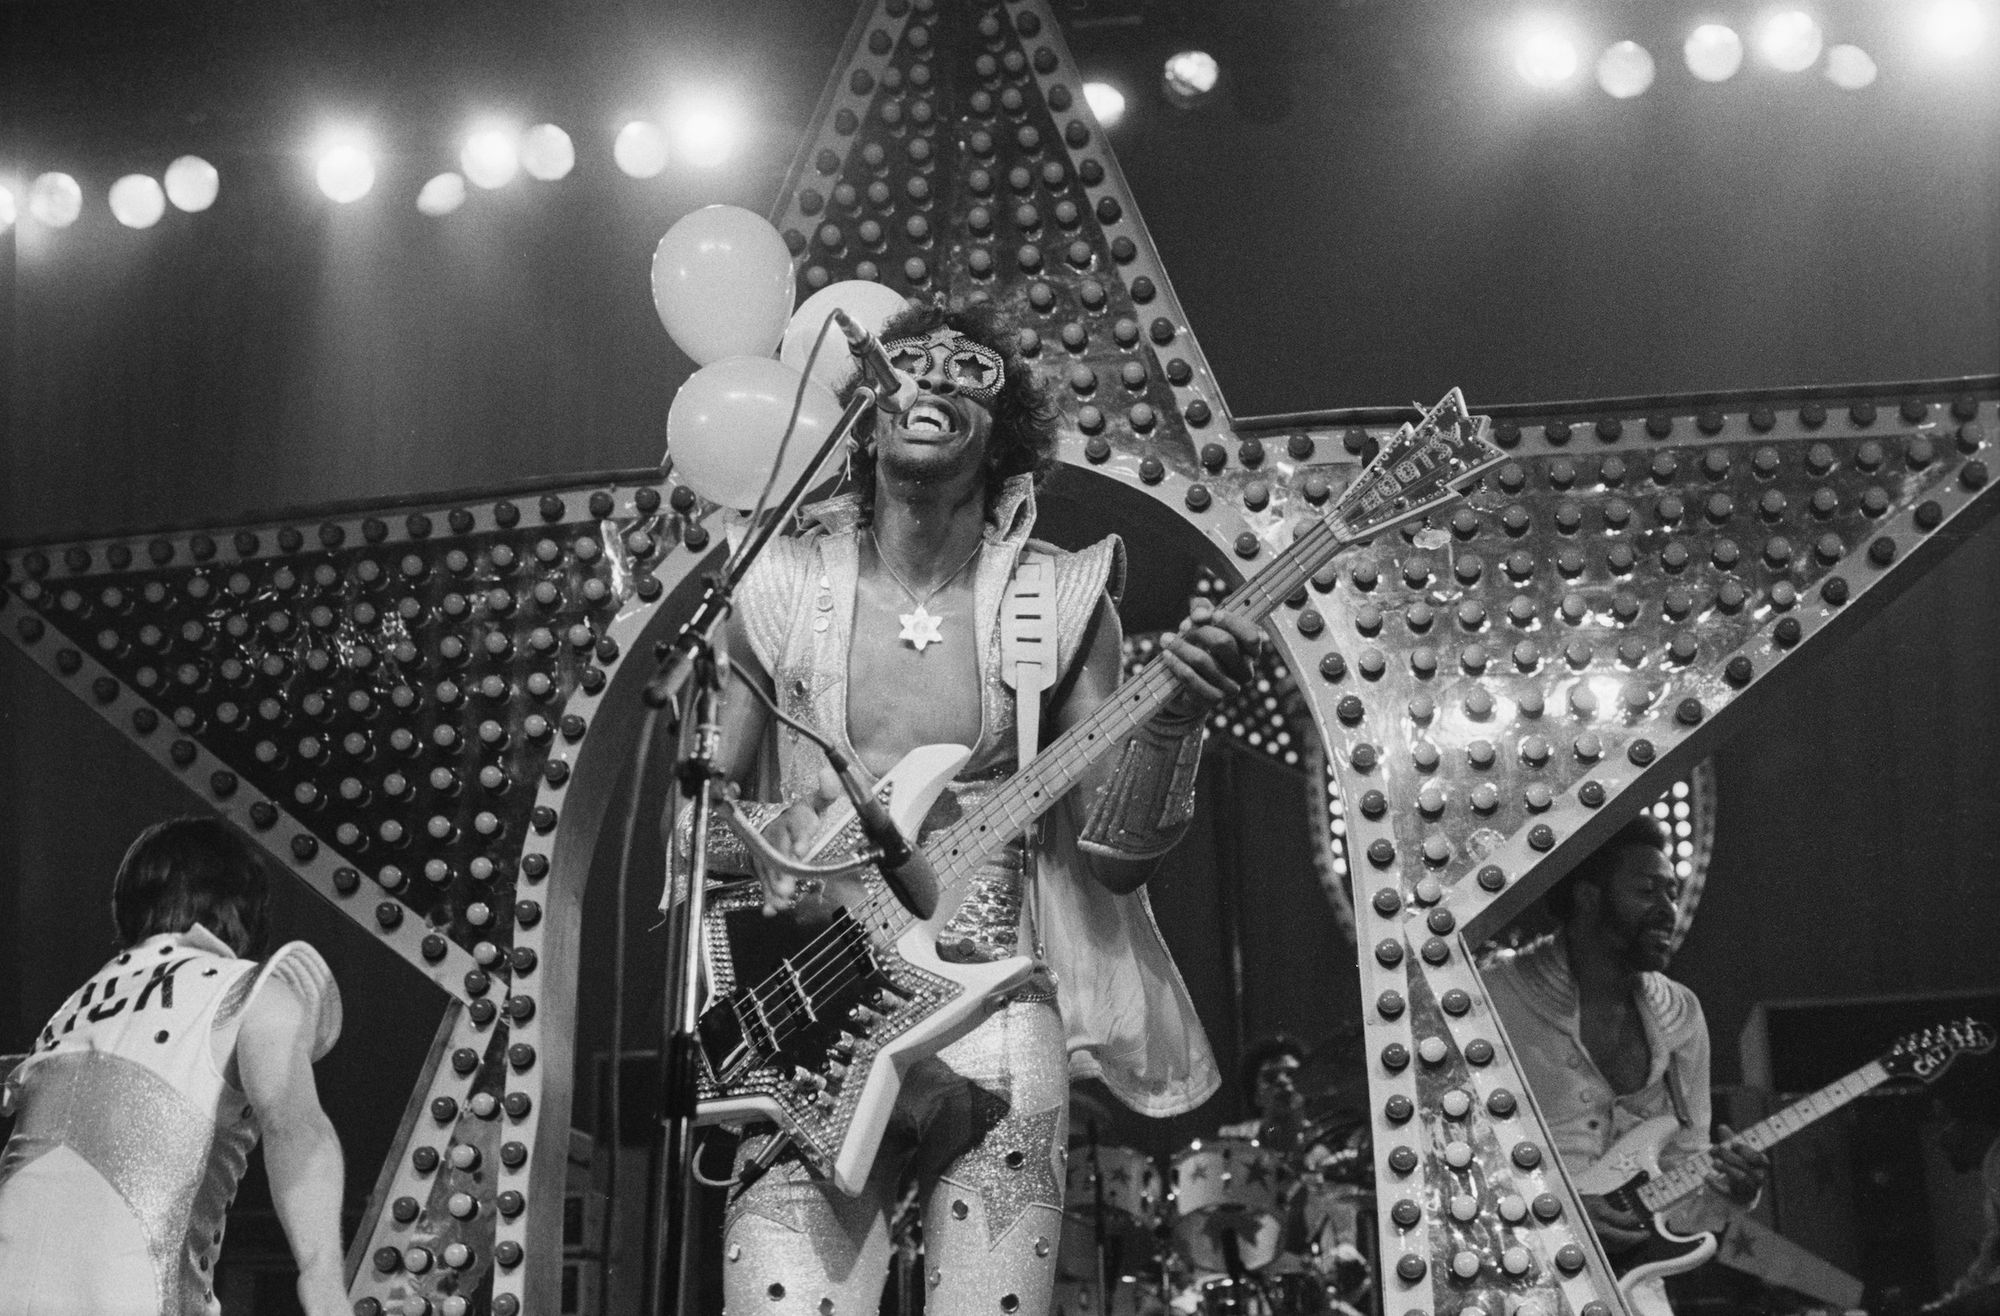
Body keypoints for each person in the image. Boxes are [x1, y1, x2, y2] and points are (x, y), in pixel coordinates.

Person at [685, 298, 1261, 1316]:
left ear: (1007, 430)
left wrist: (1171, 729)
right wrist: (751, 853)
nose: (937, 380)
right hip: (815, 1011)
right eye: (910, 361)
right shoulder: (770, 581)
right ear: (863, 405)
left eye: (970, 370)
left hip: (991, 1013)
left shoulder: (1063, 596)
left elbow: (1113, 856)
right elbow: (693, 812)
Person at [0, 817, 347, 1316]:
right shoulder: (246, 989)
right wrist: (324, 1284)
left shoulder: (70, 1013)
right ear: (241, 909)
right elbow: (295, 1125)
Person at [1483, 815, 1766, 1316]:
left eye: (1672, 893)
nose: (1667, 910)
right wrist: (1553, 1209)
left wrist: (1729, 1191)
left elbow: (1683, 1175)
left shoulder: (1681, 1013)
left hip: (1633, 1292)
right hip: (1515, 1281)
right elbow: (1460, 1160)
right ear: (1588, 897)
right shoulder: (1500, 997)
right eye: (1647, 891)